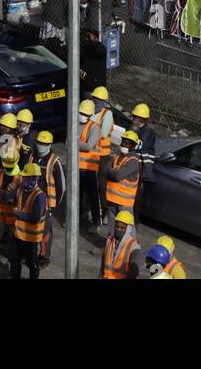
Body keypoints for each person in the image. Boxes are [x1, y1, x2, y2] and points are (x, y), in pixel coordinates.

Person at [8, 163, 47, 280]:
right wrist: (13, 186)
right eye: (25, 177)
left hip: (31, 239)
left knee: (31, 263)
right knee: (14, 260)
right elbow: (9, 197)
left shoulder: (39, 196)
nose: (27, 180)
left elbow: (35, 218)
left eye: (30, 177)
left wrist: (18, 214)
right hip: (18, 235)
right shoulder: (20, 189)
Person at [103, 129, 141, 233]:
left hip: (124, 203)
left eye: (127, 143)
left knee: (126, 231)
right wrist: (113, 172)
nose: (123, 144)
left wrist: (113, 171)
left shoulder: (133, 161)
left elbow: (117, 176)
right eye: (123, 142)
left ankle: (128, 248)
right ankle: (109, 247)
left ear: (133, 146)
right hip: (112, 198)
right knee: (112, 228)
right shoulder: (117, 155)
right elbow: (105, 170)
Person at [36, 129, 65, 264]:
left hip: (46, 204)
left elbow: (61, 187)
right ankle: (30, 254)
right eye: (39, 142)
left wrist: (53, 206)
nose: (40, 145)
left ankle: (44, 257)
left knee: (45, 232)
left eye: (44, 143)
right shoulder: (33, 157)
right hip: (32, 200)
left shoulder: (55, 162)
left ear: (49, 145)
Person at [78, 98, 103, 228]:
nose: (82, 116)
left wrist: (73, 142)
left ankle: (96, 222)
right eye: (81, 113)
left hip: (89, 168)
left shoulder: (94, 127)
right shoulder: (74, 124)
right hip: (77, 167)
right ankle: (76, 218)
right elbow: (67, 143)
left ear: (91, 115)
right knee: (76, 195)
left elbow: (89, 146)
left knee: (93, 196)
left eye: (85, 114)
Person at [101, 209, 144, 279]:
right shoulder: (109, 241)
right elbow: (103, 264)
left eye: (122, 228)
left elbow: (134, 271)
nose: (118, 230)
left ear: (128, 229)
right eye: (117, 227)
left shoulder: (134, 247)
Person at [130, 102, 157, 191]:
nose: (132, 118)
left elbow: (139, 146)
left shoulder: (147, 131)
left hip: (142, 165)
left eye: (135, 117)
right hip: (136, 162)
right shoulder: (136, 128)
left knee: (136, 190)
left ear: (141, 119)